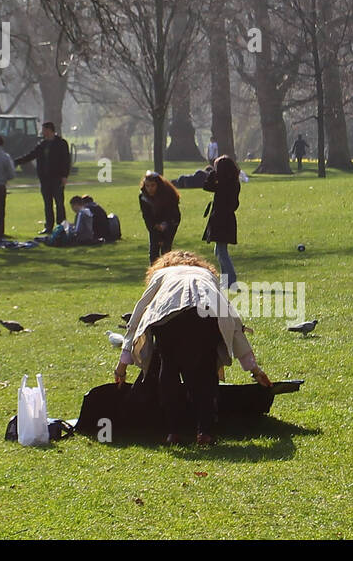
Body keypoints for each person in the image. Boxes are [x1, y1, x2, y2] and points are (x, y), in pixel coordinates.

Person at [114, 250, 272, 447]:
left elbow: (137, 318)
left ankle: (174, 432)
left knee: (169, 368)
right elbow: (234, 323)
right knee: (205, 373)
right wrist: (254, 370)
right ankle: (205, 432)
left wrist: (122, 366)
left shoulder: (161, 275)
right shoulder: (207, 276)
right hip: (206, 316)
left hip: (167, 317)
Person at [15, 121, 71, 235]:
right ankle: (49, 226)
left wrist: (64, 176)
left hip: (57, 178)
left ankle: (61, 226)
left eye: (44, 130)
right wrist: (15, 161)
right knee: (47, 203)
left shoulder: (61, 143)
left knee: (59, 203)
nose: (42, 132)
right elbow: (31, 155)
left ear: (50, 130)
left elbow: (66, 160)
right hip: (45, 179)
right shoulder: (42, 145)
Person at [202, 156, 242, 289]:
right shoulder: (232, 182)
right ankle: (226, 282)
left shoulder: (224, 184)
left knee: (221, 252)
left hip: (222, 220)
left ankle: (231, 280)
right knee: (219, 252)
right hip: (224, 219)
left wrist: (212, 174)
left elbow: (207, 186)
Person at [139, 170, 181, 265]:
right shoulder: (143, 197)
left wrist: (164, 227)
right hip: (154, 225)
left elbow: (172, 215)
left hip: (170, 222)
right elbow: (147, 217)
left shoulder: (168, 195)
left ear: (158, 185)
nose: (150, 189)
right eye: (147, 186)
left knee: (166, 250)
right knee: (153, 252)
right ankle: (153, 274)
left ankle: (167, 271)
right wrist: (155, 228)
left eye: (152, 185)